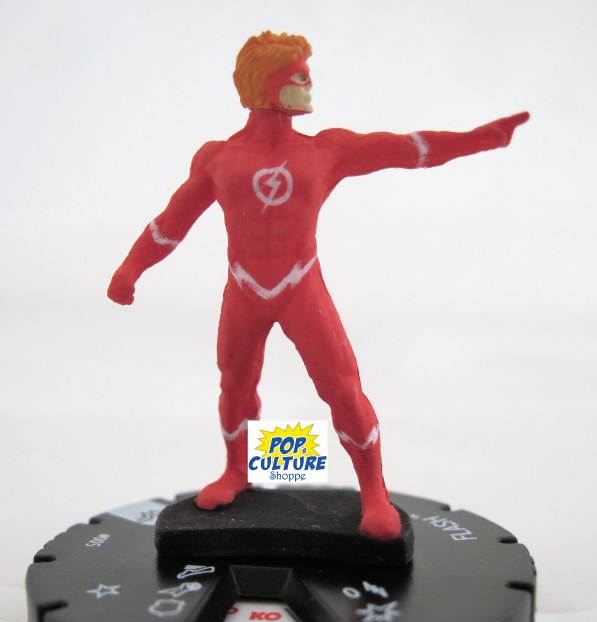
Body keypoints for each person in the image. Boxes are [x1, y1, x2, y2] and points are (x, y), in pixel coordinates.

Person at [108, 31, 528, 539]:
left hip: (299, 287)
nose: (309, 84)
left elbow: (405, 149)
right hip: (243, 289)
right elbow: (171, 223)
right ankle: (238, 470)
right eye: (299, 76)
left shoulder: (326, 150)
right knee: (235, 384)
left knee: (342, 388)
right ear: (266, 85)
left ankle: (374, 492)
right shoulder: (218, 158)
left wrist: (479, 139)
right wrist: (131, 269)